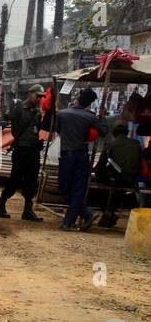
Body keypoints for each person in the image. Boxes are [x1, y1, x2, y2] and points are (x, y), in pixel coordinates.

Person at [55, 88, 107, 231]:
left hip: (66, 156)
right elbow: (103, 132)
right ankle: (85, 213)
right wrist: (102, 118)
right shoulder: (90, 117)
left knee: (64, 187)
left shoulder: (62, 114)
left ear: (78, 97)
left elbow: (58, 131)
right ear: (89, 103)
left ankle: (69, 221)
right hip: (82, 156)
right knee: (78, 189)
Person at [0, 84, 46, 221]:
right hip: (21, 150)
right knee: (15, 180)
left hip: (33, 150)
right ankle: (1, 204)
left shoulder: (37, 111)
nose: (39, 99)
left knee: (31, 181)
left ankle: (28, 210)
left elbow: (39, 128)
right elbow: (6, 119)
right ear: (30, 94)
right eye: (37, 96)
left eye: (41, 97)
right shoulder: (18, 108)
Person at [97, 122, 150, 225]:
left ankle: (108, 212)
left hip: (115, 180)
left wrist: (100, 178)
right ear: (126, 133)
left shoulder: (110, 145)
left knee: (101, 188)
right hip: (130, 180)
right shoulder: (136, 144)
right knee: (118, 189)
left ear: (114, 133)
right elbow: (139, 165)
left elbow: (101, 165)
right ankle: (110, 213)